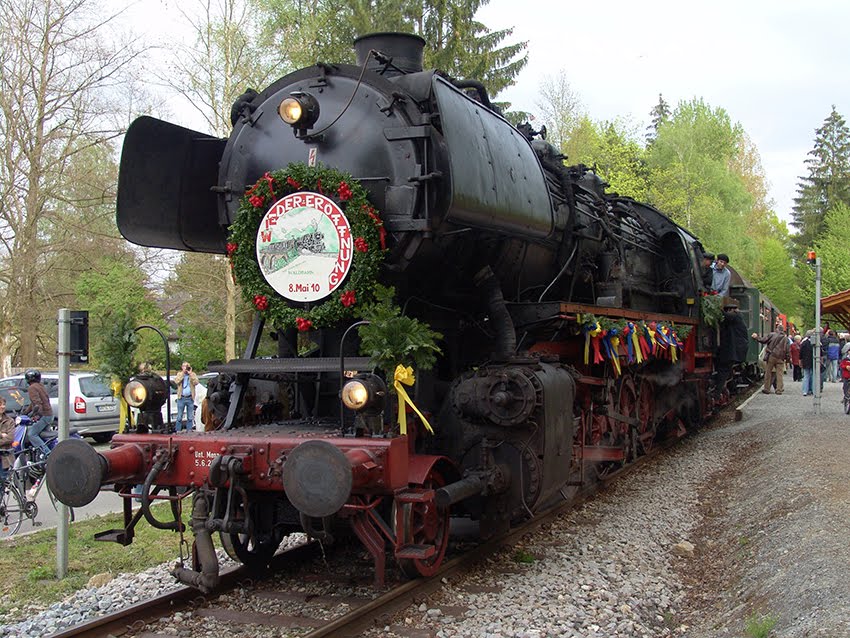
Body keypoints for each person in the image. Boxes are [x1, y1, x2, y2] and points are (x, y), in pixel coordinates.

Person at [715, 299, 749, 404]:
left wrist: (715, 308)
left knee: (723, 370)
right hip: (731, 351)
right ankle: (720, 391)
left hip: (731, 351)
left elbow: (725, 316)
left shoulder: (735, 316)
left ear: (732, 310)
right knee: (724, 370)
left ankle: (716, 394)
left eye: (728, 310)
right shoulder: (737, 318)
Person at [21, 369, 53, 456]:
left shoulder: (32, 388)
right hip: (49, 414)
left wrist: (36, 415)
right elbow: (34, 403)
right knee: (44, 437)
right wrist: (26, 412)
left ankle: (47, 454)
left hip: (44, 415)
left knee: (31, 434)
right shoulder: (40, 386)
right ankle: (41, 457)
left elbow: (37, 403)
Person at [752, 324, 789, 395]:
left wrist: (756, 337)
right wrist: (787, 359)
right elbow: (787, 350)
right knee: (779, 374)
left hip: (771, 356)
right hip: (780, 358)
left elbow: (763, 340)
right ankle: (779, 389)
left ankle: (767, 389)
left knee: (768, 372)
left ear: (776, 329)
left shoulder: (772, 335)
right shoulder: (785, 338)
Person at [174, 362, 199, 433]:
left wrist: (190, 374)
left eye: (187, 366)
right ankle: (178, 430)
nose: (185, 368)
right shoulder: (179, 374)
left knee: (190, 416)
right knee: (179, 416)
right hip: (181, 398)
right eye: (184, 366)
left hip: (190, 398)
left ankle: (189, 430)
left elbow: (196, 382)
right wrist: (183, 374)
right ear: (182, 367)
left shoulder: (192, 374)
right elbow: (177, 381)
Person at [0, 398, 15, 480]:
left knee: (3, 482)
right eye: (0, 404)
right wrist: (2, 434)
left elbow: (10, 438)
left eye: (4, 404)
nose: (2, 406)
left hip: (4, 457)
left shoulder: (9, 421)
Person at [800, 331, 814, 396]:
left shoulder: (804, 343)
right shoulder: (816, 343)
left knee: (806, 376)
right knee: (813, 376)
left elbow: (800, 353)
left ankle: (805, 391)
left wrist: (800, 361)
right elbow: (821, 353)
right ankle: (812, 390)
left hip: (805, 361)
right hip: (813, 361)